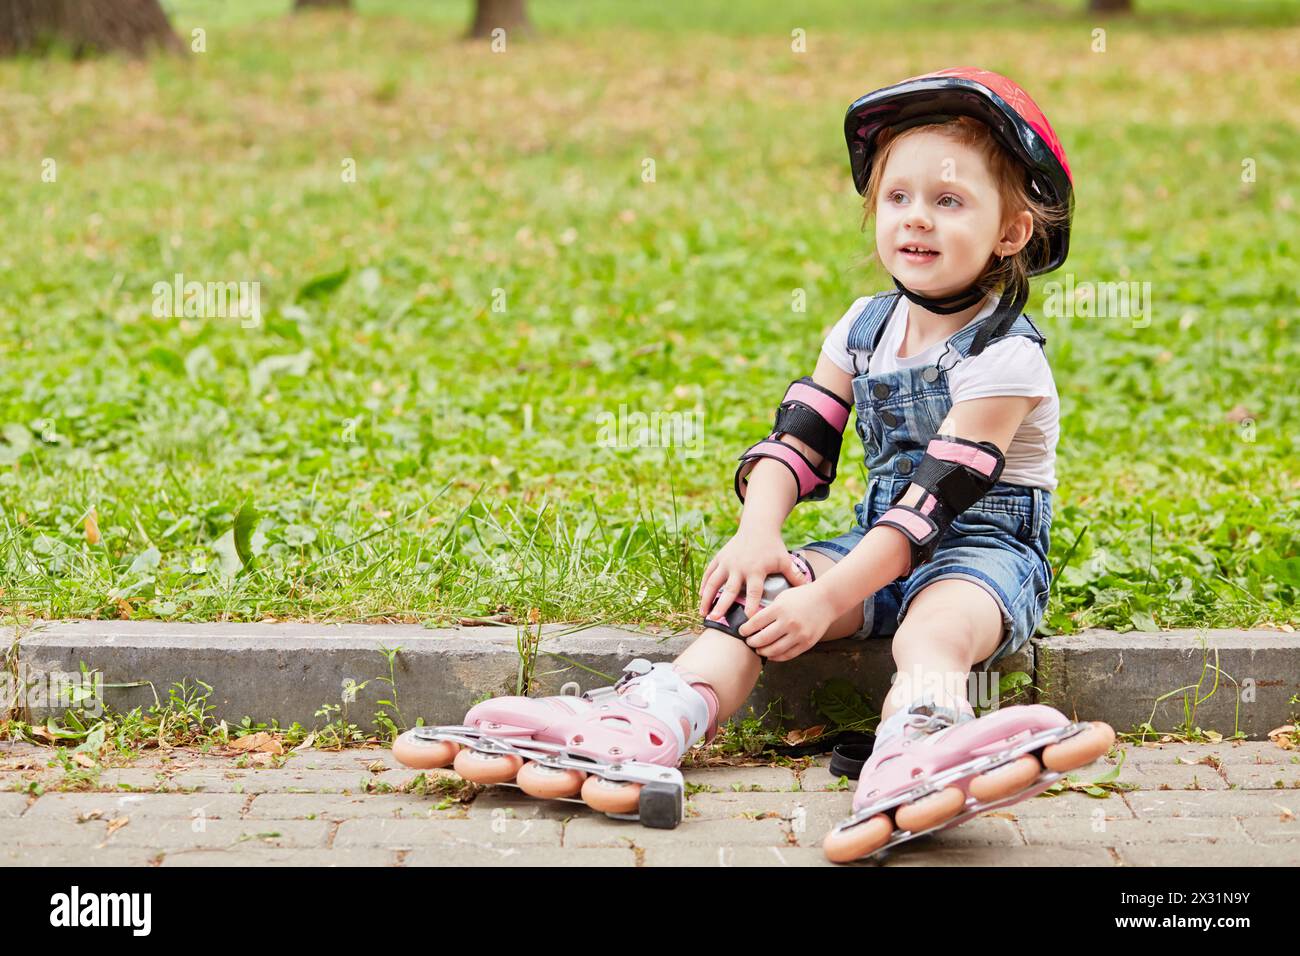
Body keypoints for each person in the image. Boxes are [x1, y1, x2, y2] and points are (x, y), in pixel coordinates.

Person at [393, 68, 1114, 862]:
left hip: (982, 551)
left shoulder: (1003, 356)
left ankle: (923, 733)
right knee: (761, 600)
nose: (917, 219)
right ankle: (659, 717)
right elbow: (801, 440)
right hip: (878, 538)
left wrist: (831, 599)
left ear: (1011, 231)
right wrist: (757, 533)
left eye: (950, 202)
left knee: (933, 630)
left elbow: (930, 509)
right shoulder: (863, 327)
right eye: (898, 197)